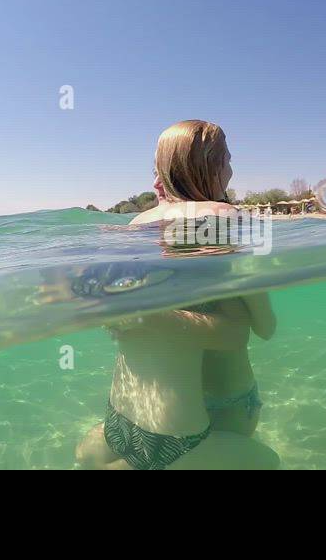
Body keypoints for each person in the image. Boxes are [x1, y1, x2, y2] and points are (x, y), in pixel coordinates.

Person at [75, 120, 279, 469]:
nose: (232, 166)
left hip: (123, 417)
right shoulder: (221, 216)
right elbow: (263, 327)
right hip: (196, 420)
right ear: (213, 164)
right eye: (228, 157)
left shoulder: (138, 223)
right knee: (269, 463)